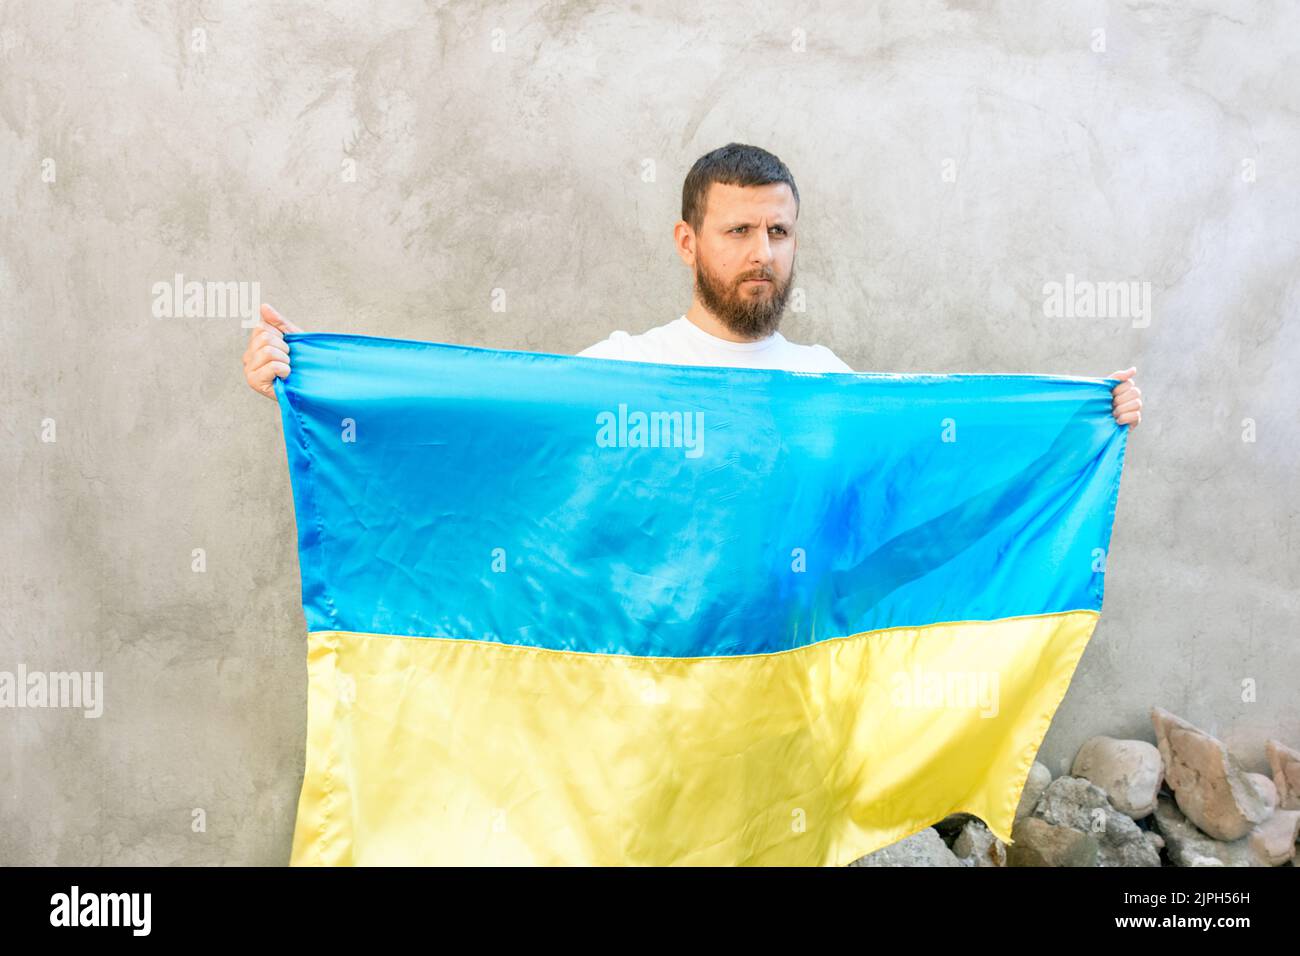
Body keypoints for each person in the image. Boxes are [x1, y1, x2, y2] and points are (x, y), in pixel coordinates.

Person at [242, 143, 1142, 426]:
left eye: (779, 231)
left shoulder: (828, 383)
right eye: (739, 230)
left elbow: (938, 468)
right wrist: (311, 377)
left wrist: (1085, 420)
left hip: (786, 710)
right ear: (688, 240)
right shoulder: (621, 370)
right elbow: (480, 422)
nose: (762, 251)